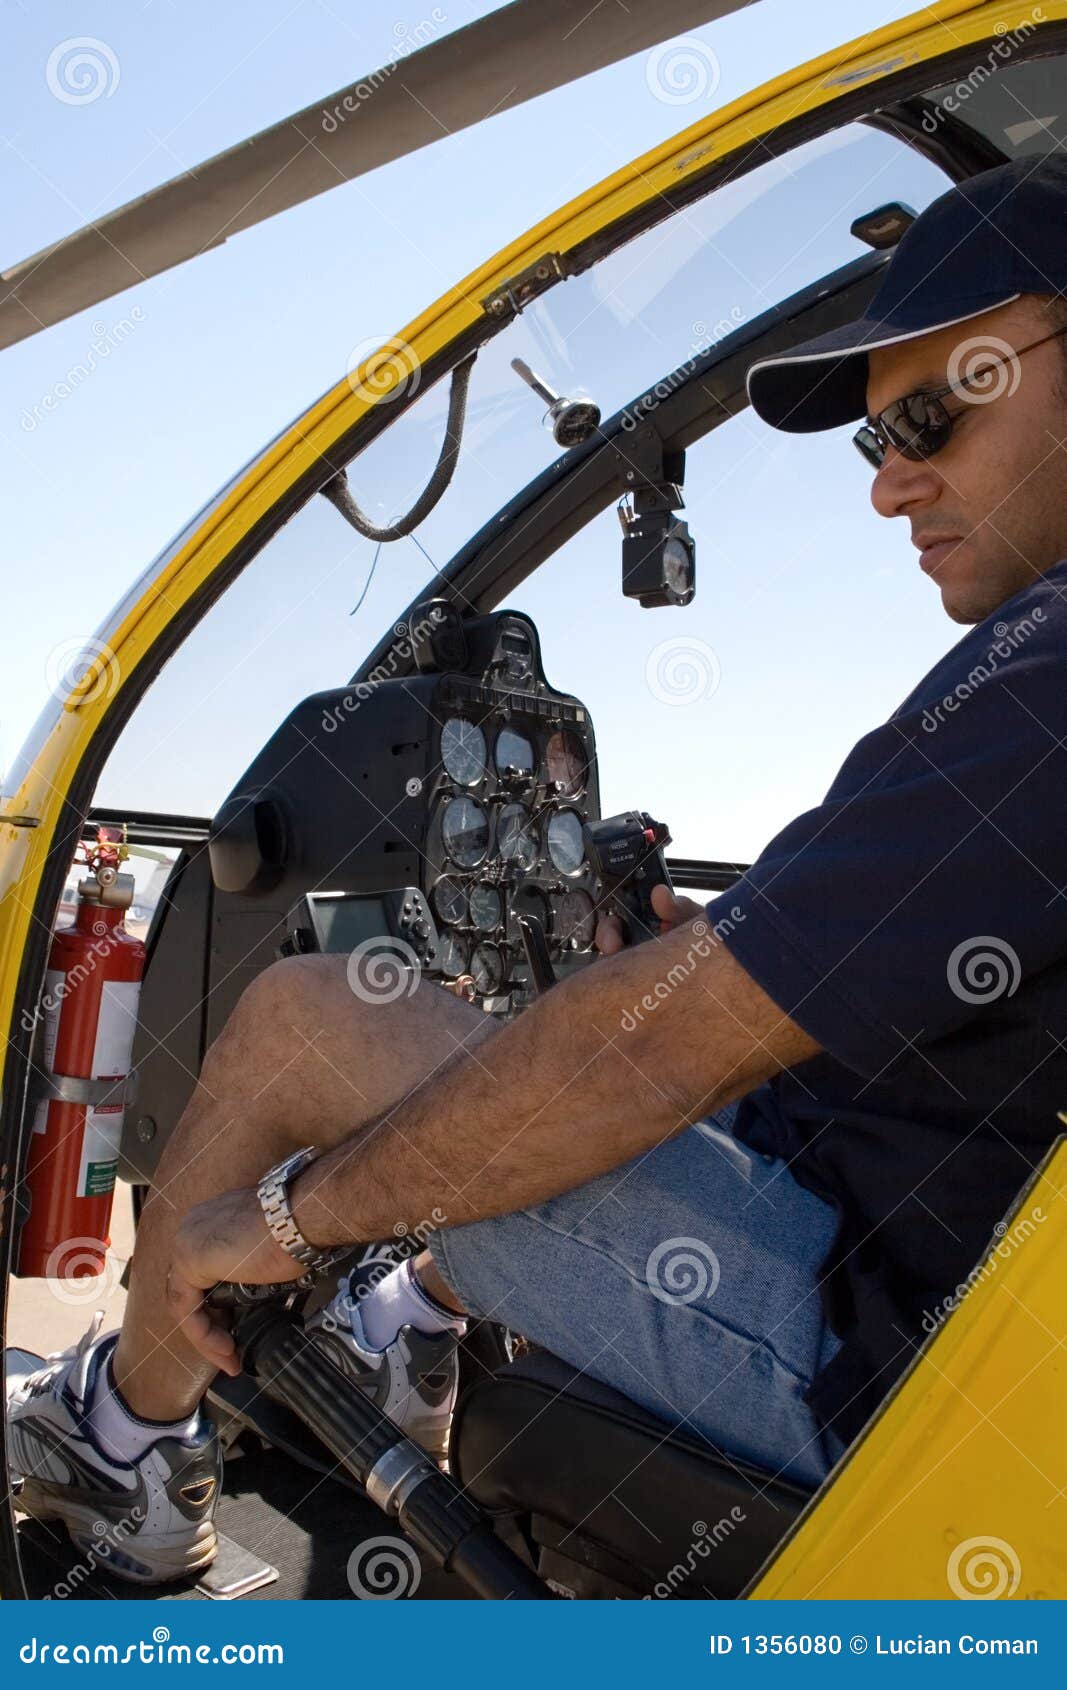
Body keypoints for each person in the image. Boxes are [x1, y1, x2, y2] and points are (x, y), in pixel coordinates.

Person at [9, 154, 1067, 1585]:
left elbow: (651, 1055)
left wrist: (276, 1221)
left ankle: (126, 1450)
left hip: (876, 1366)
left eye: (932, 415)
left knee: (313, 1022)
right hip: (923, 1268)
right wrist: (693, 949)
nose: (889, 485)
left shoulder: (1048, 676)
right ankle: (404, 1328)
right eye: (877, 437)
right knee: (535, 1072)